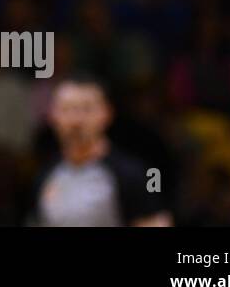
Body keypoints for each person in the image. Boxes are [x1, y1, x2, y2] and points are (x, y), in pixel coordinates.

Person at [32, 75, 172, 226]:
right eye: (67, 109)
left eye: (86, 109)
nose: (76, 120)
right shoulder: (46, 175)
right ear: (53, 116)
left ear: (106, 113)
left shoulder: (133, 173)